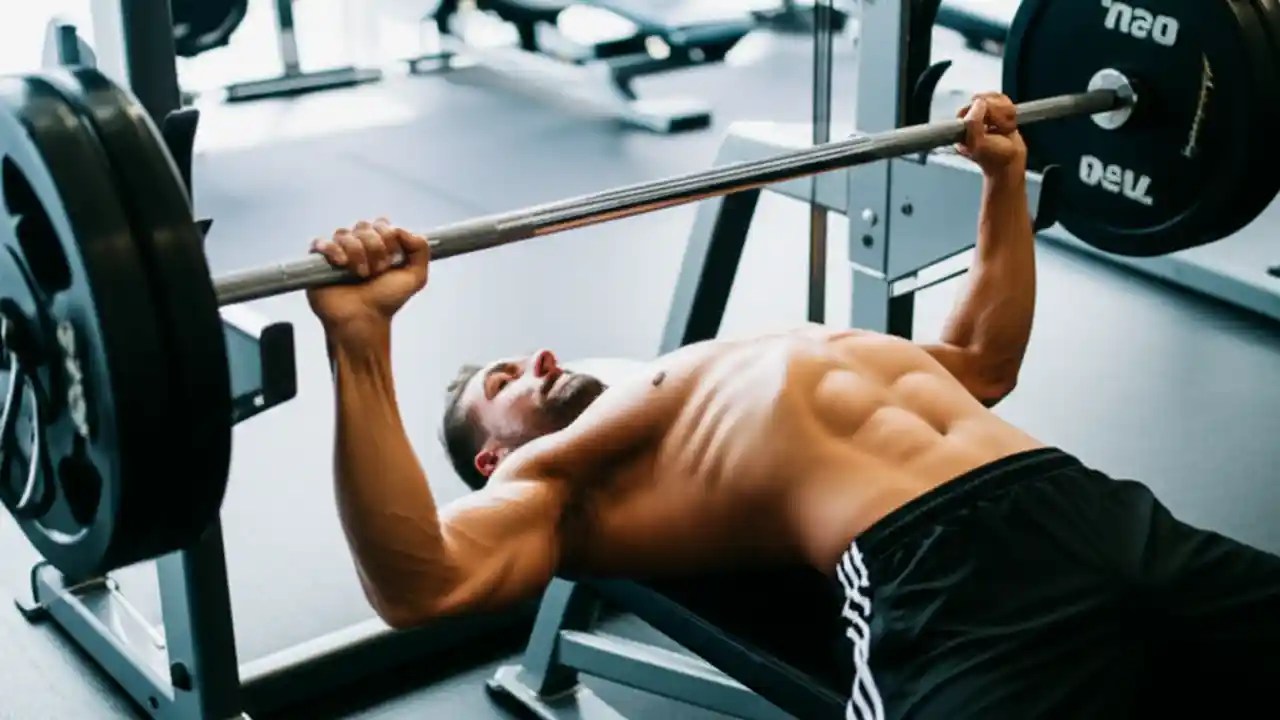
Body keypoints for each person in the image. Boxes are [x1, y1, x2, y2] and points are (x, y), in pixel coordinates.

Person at [306, 93, 1280, 719]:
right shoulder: (554, 486)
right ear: (490, 458)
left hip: (1088, 503)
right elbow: (416, 583)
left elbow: (979, 361)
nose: (536, 363)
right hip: (941, 582)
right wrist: (361, 343)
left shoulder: (704, 369)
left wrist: (1001, 180)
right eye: (501, 386)